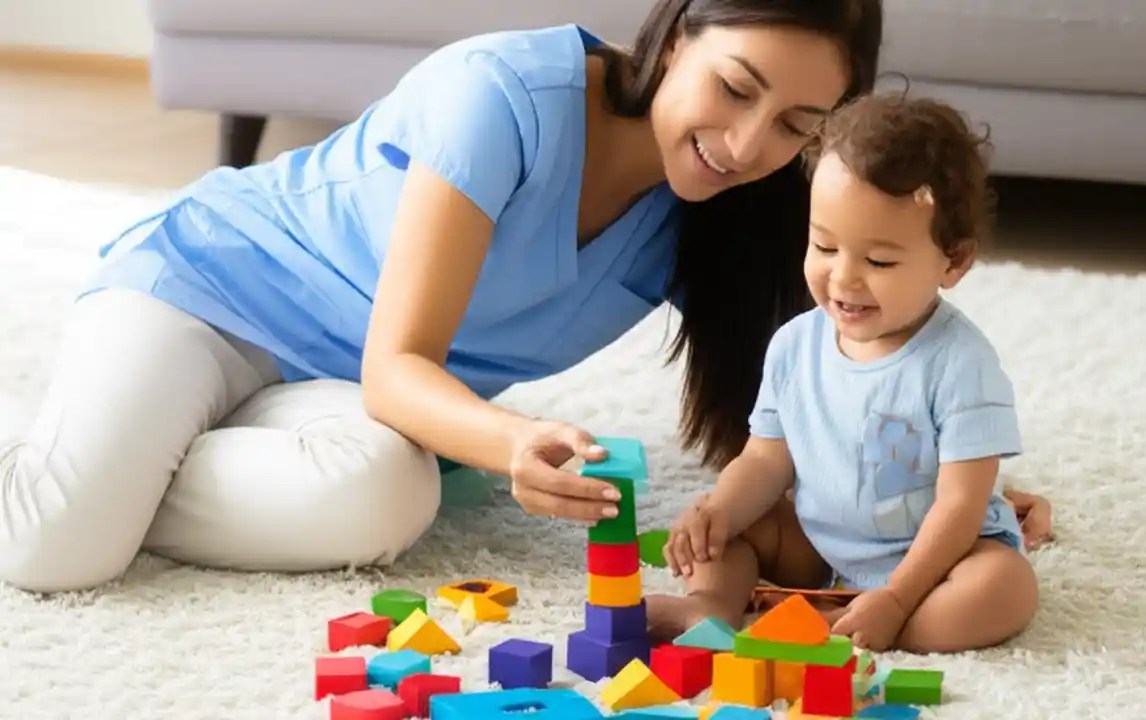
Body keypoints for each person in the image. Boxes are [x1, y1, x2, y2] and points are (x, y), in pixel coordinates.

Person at [0, 0, 1050, 594]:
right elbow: (396, 364)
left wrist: (963, 498)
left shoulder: (730, 211)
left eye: (794, 126)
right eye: (733, 89)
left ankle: (106, 463)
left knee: (387, 499)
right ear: (677, 31)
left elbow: (819, 402)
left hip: (332, 400)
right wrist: (506, 444)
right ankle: (70, 460)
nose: (745, 146)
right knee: (56, 550)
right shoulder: (501, 95)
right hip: (205, 294)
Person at [648, 93, 1043, 654]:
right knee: (735, 526)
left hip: (941, 557)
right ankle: (712, 605)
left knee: (1003, 590)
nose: (844, 278)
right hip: (821, 545)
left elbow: (961, 506)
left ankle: (873, 619)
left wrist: (900, 596)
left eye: (878, 261)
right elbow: (765, 459)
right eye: (824, 246)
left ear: (953, 262)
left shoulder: (961, 364)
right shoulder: (794, 345)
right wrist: (716, 511)